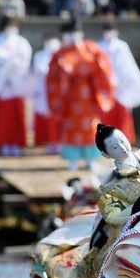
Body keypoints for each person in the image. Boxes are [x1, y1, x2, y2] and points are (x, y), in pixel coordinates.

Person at [46, 18, 117, 170]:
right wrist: (64, 71)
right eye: (70, 33)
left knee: (90, 126)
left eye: (75, 33)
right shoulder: (61, 52)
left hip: (88, 93)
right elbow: (54, 74)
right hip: (69, 94)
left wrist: (86, 67)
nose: (73, 36)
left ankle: (91, 159)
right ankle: (73, 160)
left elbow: (102, 66)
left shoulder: (91, 48)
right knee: (71, 126)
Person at [0, 17, 32, 156]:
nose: (12, 27)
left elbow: (25, 60)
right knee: (1, 117)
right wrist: (11, 58)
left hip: (16, 83)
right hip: (1, 83)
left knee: (16, 116)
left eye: (14, 24)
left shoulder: (21, 41)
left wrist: (11, 61)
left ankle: (16, 142)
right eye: (9, 24)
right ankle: (2, 142)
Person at [97, 22, 140, 144]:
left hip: (122, 87)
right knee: (104, 116)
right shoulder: (98, 46)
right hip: (104, 88)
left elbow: (128, 67)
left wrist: (119, 79)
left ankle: (124, 140)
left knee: (122, 116)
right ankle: (104, 142)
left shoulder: (122, 46)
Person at [29, 32, 61, 153]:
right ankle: (47, 141)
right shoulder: (39, 55)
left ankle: (58, 142)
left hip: (57, 92)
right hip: (43, 91)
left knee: (57, 118)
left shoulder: (62, 55)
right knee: (45, 116)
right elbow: (41, 70)